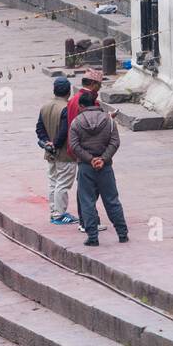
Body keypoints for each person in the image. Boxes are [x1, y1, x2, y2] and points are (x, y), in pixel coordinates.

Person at [68, 89, 128, 247]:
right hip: (105, 167)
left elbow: (74, 145)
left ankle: (92, 236)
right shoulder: (108, 121)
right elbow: (115, 142)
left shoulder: (76, 123)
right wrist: (103, 159)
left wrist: (90, 159)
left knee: (87, 201)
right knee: (112, 200)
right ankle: (122, 233)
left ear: (81, 106)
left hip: (85, 168)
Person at [37, 76, 77, 225]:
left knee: (53, 182)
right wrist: (56, 144)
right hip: (64, 153)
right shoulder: (66, 108)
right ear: (68, 92)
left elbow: (39, 128)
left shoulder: (45, 107)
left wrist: (47, 142)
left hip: (49, 152)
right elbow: (64, 131)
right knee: (63, 184)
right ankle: (59, 214)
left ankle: (54, 211)